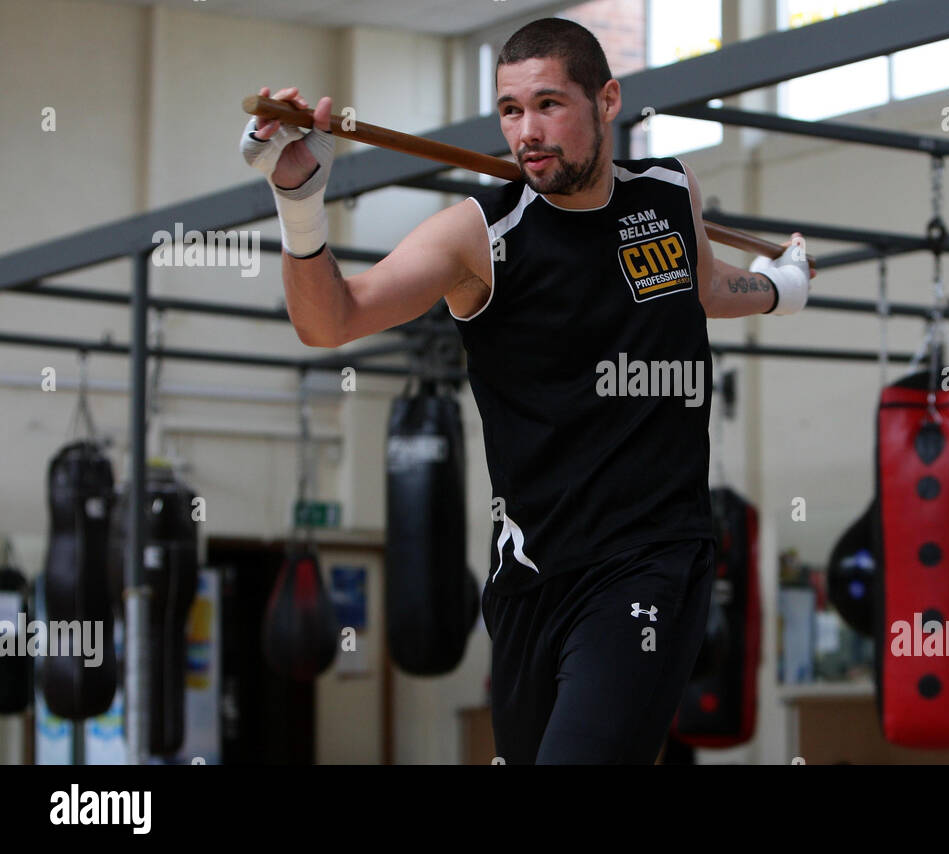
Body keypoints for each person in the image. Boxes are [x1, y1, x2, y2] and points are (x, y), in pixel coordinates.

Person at [241, 17, 812, 764]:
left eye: (549, 105)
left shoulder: (670, 193)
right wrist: (299, 198)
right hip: (532, 580)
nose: (528, 132)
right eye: (512, 111)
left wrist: (779, 289)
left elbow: (698, 286)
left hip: (650, 558)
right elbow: (332, 320)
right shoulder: (477, 236)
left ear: (607, 100)